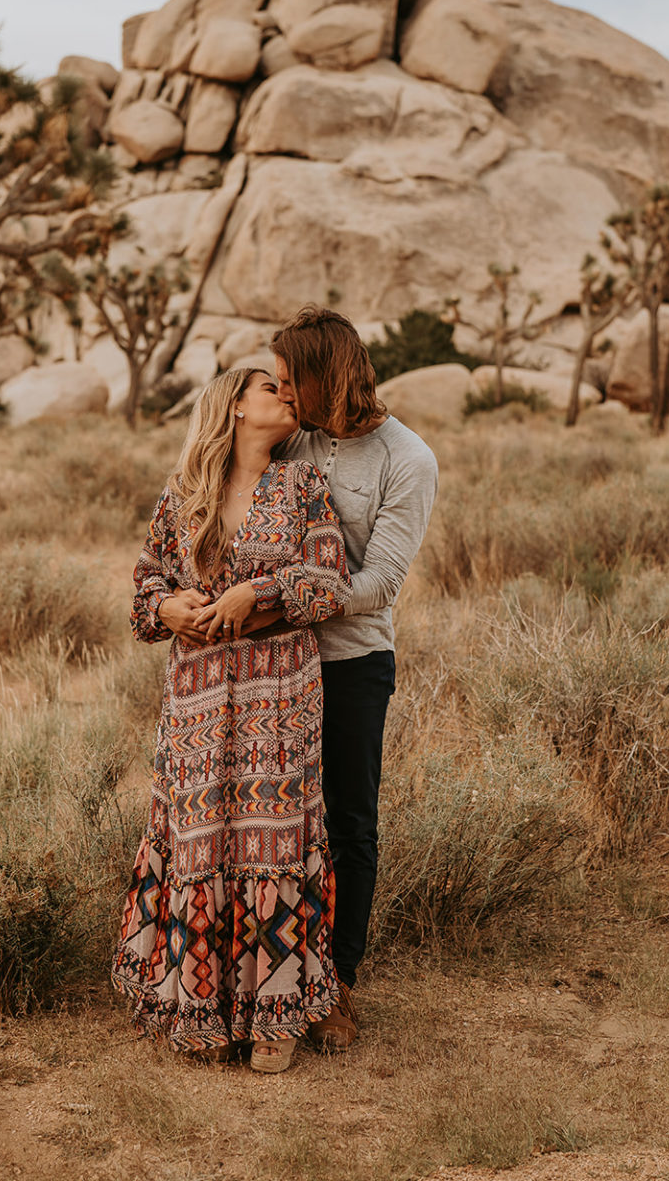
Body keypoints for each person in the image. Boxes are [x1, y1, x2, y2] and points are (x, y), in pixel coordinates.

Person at [112, 366, 352, 1073]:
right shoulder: (183, 495)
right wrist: (166, 608)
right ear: (235, 407)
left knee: (272, 834)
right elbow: (146, 580)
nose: (287, 396)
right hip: (196, 691)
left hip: (278, 687)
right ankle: (199, 1005)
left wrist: (258, 590)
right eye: (270, 388)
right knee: (198, 832)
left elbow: (329, 580)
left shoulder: (305, 488)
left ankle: (276, 1019)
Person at [268, 306, 439, 1052]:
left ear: (321, 376)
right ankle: (273, 972)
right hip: (271, 662)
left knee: (348, 824)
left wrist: (286, 592)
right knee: (276, 826)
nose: (281, 395)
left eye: (289, 379)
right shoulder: (290, 438)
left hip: (352, 662)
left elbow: (380, 582)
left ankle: (338, 982)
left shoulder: (409, 459)